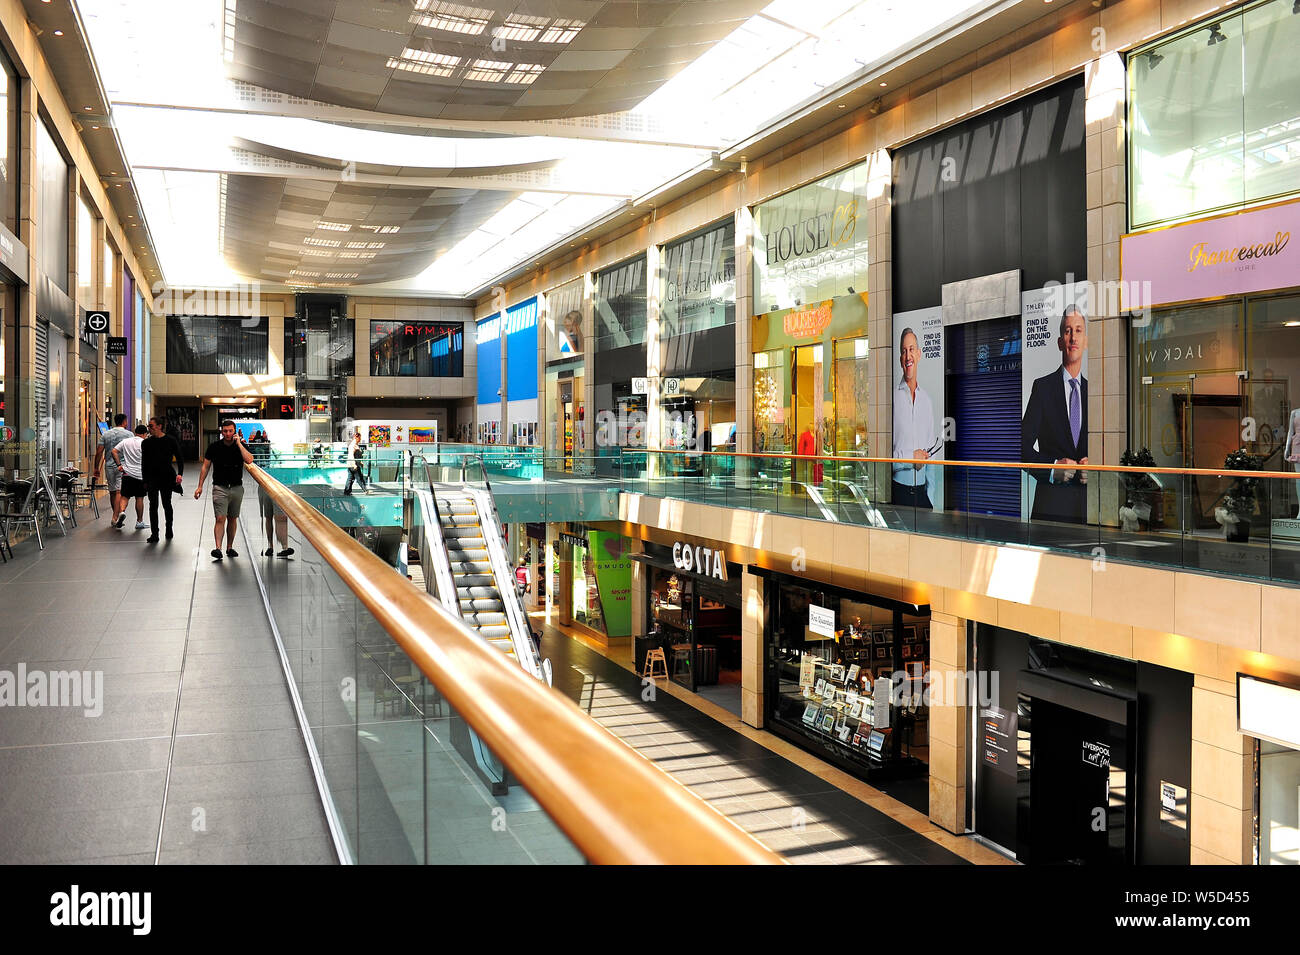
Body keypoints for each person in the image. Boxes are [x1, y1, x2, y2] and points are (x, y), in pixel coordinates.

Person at [1021, 305, 1089, 525]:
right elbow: (1021, 447)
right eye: (1068, 331)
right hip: (1050, 509)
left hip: (1089, 509)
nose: (1073, 337)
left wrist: (1097, 468)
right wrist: (1051, 468)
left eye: (1078, 330)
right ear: (1060, 341)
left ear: (1086, 341)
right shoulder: (1042, 388)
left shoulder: (1096, 392)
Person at [892, 326, 938, 509]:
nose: (908, 355)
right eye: (904, 351)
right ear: (900, 359)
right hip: (899, 492)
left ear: (918, 354)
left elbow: (931, 456)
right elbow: (884, 458)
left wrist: (931, 498)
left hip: (922, 495)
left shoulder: (926, 401)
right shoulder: (892, 399)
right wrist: (912, 457)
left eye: (911, 350)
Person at [195, 418, 254, 560]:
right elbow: (206, 466)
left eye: (230, 431)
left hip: (236, 487)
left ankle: (229, 547)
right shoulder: (214, 447)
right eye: (225, 431)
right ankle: (218, 548)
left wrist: (239, 444)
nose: (227, 433)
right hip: (220, 487)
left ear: (234, 432)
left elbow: (249, 459)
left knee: (233, 518)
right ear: (222, 432)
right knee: (220, 517)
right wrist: (200, 486)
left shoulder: (241, 446)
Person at [140, 416, 184, 543]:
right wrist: (145, 480)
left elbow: (179, 458)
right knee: (153, 506)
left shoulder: (171, 440)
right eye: (148, 426)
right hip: (152, 478)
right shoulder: (146, 443)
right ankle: (155, 533)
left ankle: (169, 528)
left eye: (151, 426)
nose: (149, 428)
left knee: (167, 504)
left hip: (167, 477)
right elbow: (144, 463)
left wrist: (180, 474)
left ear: (159, 426)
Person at [94, 413, 133, 528]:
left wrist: (96, 468)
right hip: (123, 466)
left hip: (109, 466)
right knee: (119, 492)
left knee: (112, 492)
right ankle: (117, 516)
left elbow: (99, 452)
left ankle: (115, 515)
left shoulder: (106, 434)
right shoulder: (129, 434)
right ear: (124, 422)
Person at [109, 424, 150, 530]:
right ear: (145, 434)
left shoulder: (126, 441)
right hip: (140, 475)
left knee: (124, 496)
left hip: (127, 474)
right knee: (139, 498)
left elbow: (114, 451)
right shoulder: (145, 443)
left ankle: (122, 512)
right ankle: (139, 521)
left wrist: (119, 465)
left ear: (135, 432)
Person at [258, 482, 295, 559]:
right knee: (268, 516)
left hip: (279, 487)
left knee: (280, 517)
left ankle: (284, 546)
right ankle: (269, 545)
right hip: (265, 485)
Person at [343, 427, 367, 495]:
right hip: (354, 464)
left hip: (352, 464)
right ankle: (365, 490)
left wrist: (360, 462)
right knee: (359, 477)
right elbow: (351, 455)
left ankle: (347, 491)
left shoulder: (355, 445)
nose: (360, 439)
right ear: (357, 437)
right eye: (360, 437)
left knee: (350, 478)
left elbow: (356, 456)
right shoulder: (353, 445)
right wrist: (354, 464)